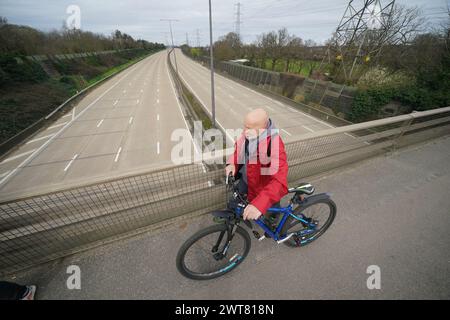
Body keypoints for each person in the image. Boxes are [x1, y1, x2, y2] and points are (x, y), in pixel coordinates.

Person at [225, 108, 288, 225]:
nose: (245, 131)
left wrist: (260, 204)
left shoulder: (275, 145)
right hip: (246, 179)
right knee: (236, 198)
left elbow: (280, 180)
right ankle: (231, 215)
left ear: (263, 129)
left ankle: (273, 219)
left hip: (263, 186)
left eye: (249, 128)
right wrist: (232, 163)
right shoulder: (249, 134)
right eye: (245, 126)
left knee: (272, 205)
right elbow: (239, 149)